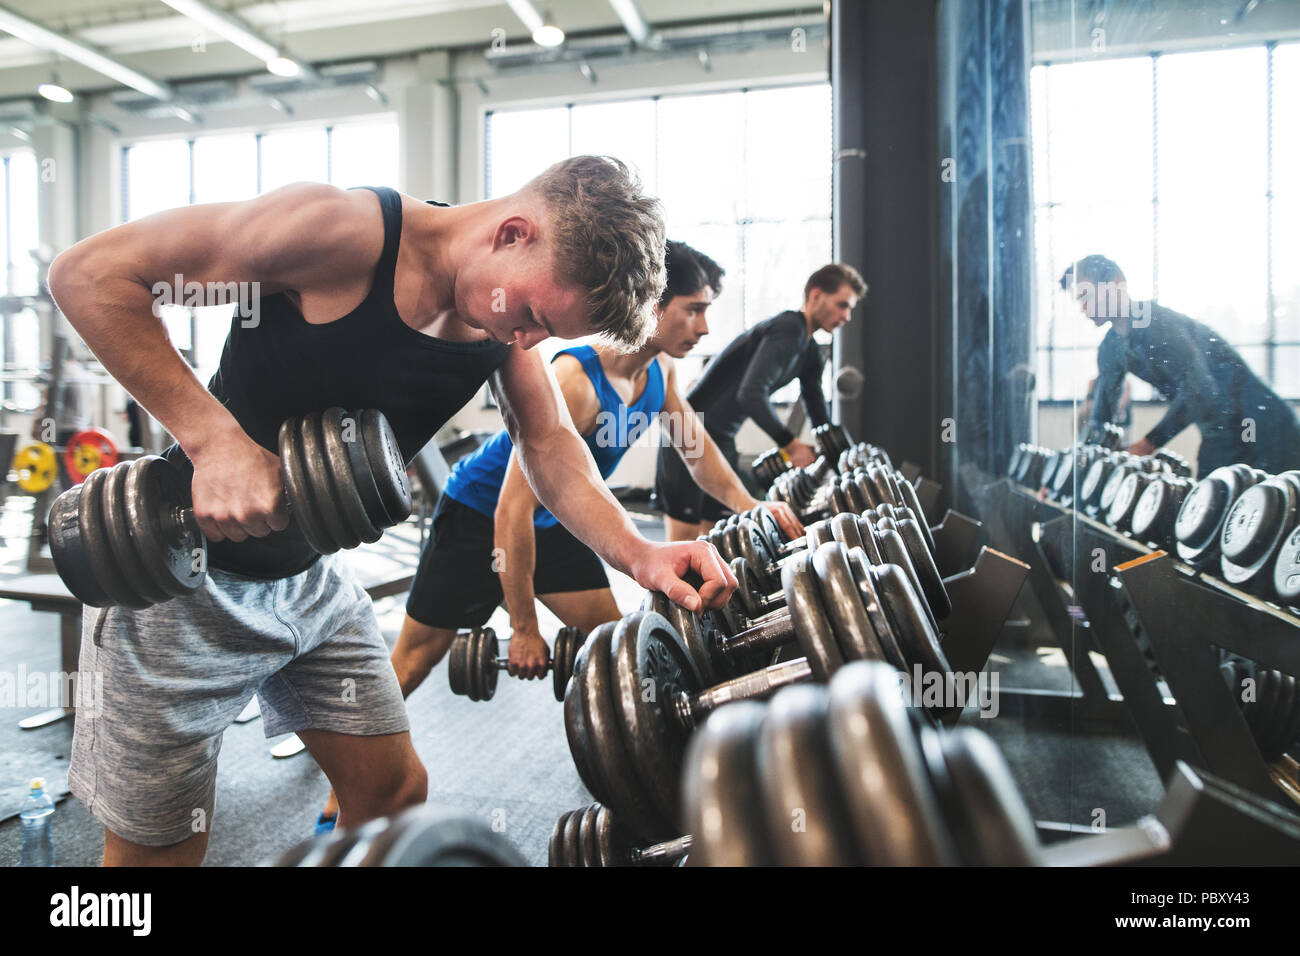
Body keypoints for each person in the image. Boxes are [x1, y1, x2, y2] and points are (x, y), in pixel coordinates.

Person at [46, 155, 736, 866]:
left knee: (393, 791)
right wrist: (216, 442)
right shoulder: (341, 234)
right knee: (158, 854)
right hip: (177, 587)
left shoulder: (497, 330)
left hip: (309, 582)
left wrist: (640, 553)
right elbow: (90, 275)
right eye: (532, 315)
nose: (528, 340)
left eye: (548, 333)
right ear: (512, 234)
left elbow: (550, 443)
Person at [313, 240, 803, 831]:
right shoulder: (575, 377)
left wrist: (754, 505)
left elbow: (697, 454)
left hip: (564, 521)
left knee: (619, 649)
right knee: (415, 659)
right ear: (651, 305)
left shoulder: (660, 373)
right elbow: (510, 512)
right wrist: (523, 628)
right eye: (692, 310)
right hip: (480, 518)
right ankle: (346, 785)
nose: (703, 327)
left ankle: (630, 767)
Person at [654, 262, 866, 541]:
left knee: (716, 539)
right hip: (686, 434)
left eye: (850, 308)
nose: (847, 316)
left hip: (722, 441)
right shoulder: (787, 329)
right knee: (683, 541)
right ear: (816, 295)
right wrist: (791, 445)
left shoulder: (811, 354)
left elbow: (819, 417)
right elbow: (751, 393)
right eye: (842, 305)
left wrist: (838, 462)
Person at [1061, 254, 1300, 476]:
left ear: (1116, 282)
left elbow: (1200, 390)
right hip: (1219, 431)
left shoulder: (1158, 322)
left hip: (1264, 428)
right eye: (1078, 300)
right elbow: (1100, 419)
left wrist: (1147, 444)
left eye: (1086, 296)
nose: (1082, 307)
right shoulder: (1110, 349)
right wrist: (1067, 475)